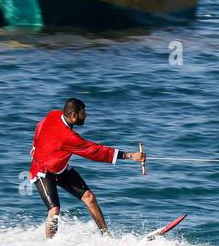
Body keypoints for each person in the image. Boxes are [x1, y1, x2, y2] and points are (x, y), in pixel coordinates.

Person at [28, 98, 145, 238]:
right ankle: (49, 245)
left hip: (59, 166)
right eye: (83, 113)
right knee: (54, 210)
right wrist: (130, 156)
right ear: (73, 116)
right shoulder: (68, 137)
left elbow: (40, 125)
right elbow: (95, 151)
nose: (86, 116)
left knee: (89, 198)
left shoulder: (54, 114)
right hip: (42, 170)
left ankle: (106, 236)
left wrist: (35, 145)